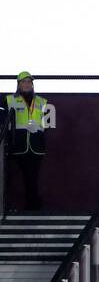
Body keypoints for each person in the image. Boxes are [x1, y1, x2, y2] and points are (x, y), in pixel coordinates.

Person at [5, 71, 49, 210]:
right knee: (16, 177)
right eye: (24, 81)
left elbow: (47, 123)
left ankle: (33, 205)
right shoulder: (9, 99)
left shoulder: (42, 101)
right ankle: (31, 205)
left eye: (29, 82)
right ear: (18, 84)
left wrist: (39, 127)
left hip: (36, 145)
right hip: (17, 144)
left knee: (32, 177)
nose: (27, 84)